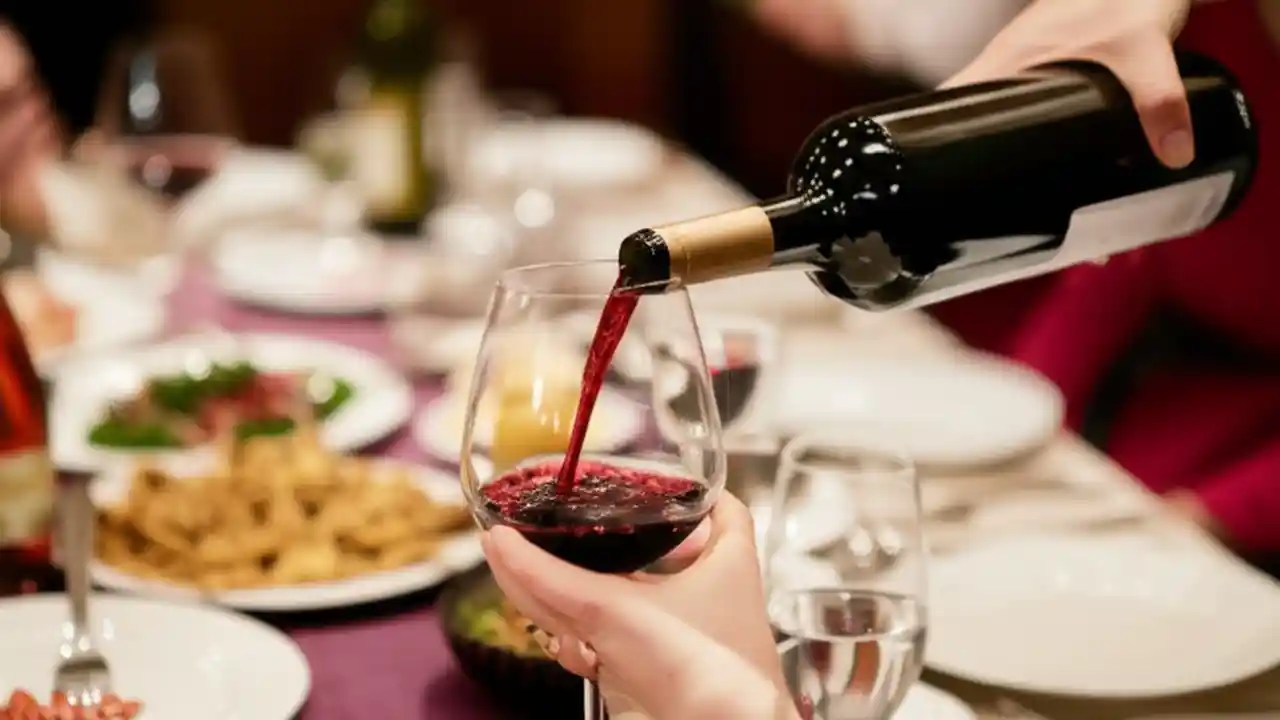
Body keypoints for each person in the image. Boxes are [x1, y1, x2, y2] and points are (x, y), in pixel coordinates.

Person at [489, 1, 1280, 717]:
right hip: (1146, 414)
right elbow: (1116, 243)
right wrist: (1043, 415)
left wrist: (1207, 515)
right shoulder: (1186, 28)